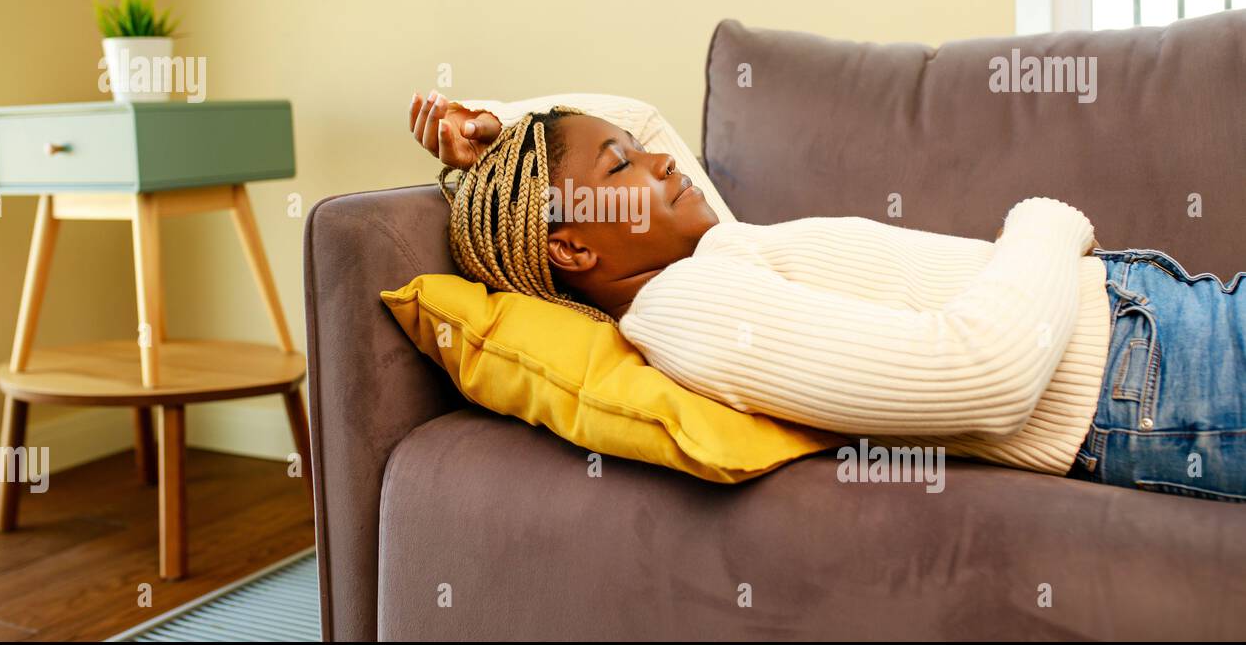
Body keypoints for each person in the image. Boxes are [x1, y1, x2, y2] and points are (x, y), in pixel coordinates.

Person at [406, 89, 1246, 503]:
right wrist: (1045, 223)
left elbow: (642, 118)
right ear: (574, 244)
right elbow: (988, 376)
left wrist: (502, 129)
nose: (659, 159)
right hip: (1158, 380)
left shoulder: (707, 251)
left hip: (1165, 337)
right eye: (621, 167)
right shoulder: (685, 310)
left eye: (635, 153)